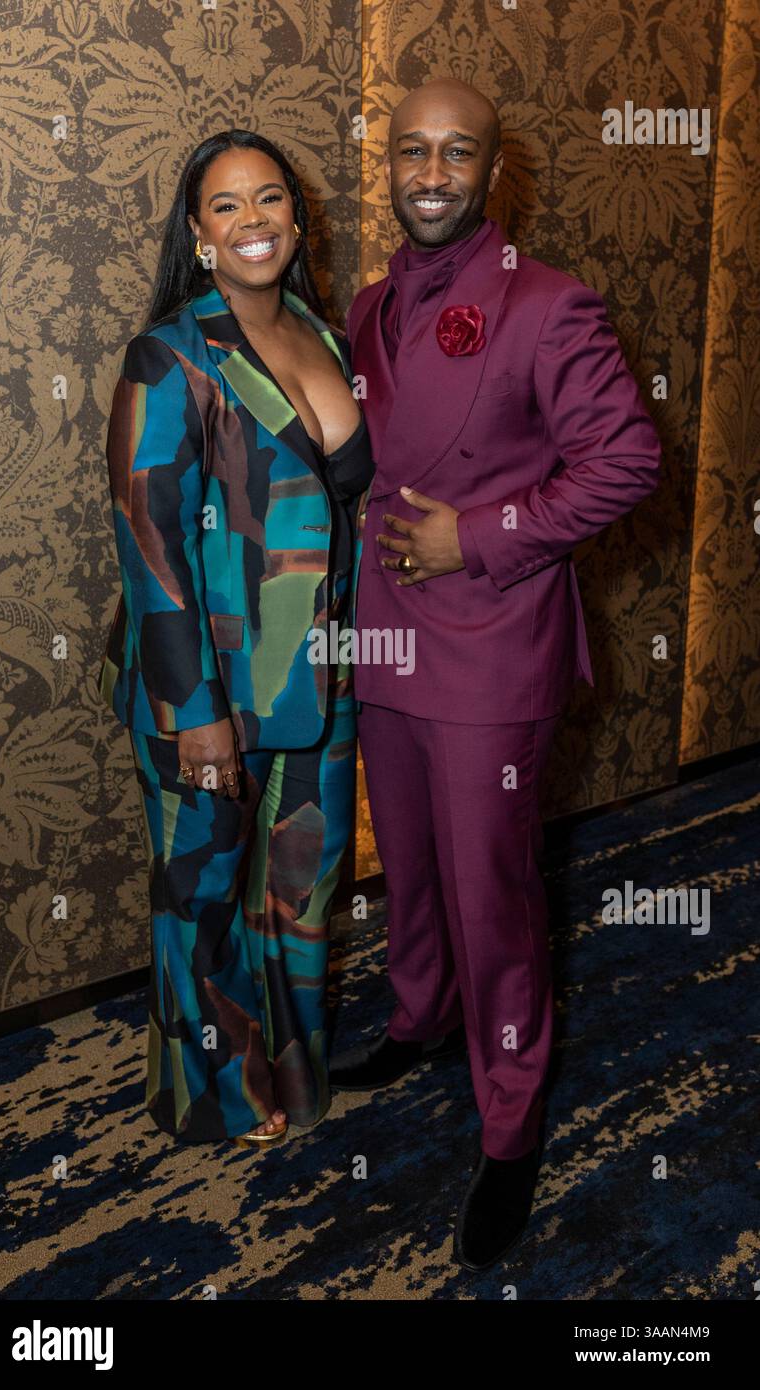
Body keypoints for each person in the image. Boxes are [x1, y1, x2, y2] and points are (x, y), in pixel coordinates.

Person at [330, 78, 662, 1269]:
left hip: (492, 647)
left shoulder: (551, 306)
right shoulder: (367, 306)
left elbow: (627, 461)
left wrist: (477, 534)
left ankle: (512, 1122)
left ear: (491, 173)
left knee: (493, 896)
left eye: (454, 153)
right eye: (411, 151)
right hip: (387, 637)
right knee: (408, 867)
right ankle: (421, 1018)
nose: (430, 172)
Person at [98, 131, 374, 1148]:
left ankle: (293, 1072)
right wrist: (196, 715)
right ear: (197, 233)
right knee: (205, 897)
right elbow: (149, 548)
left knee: (303, 888)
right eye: (226, 206)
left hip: (321, 681)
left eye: (271, 200)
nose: (253, 221)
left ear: (298, 222)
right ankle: (213, 1090)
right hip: (208, 689)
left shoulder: (320, 332)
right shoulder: (169, 357)